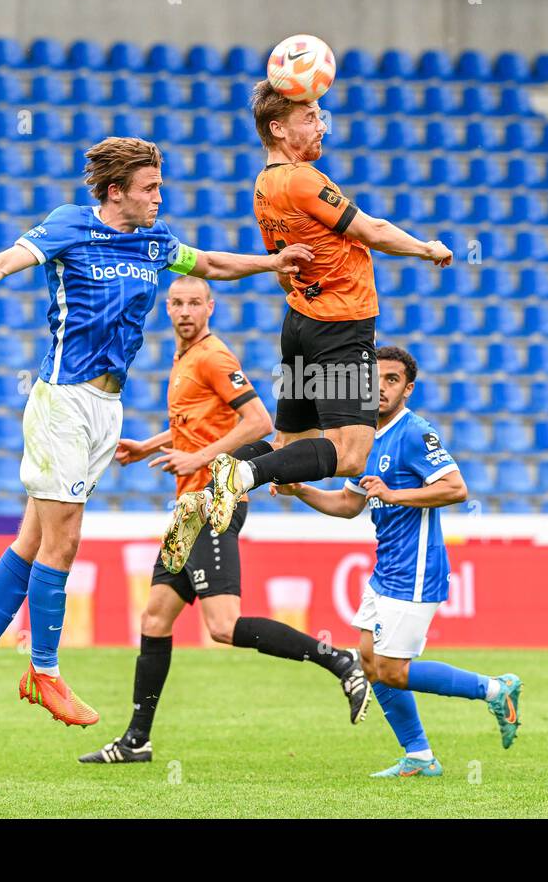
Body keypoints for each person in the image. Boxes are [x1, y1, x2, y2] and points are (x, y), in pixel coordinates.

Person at [0, 136, 311, 727]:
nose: (160, 197)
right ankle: (44, 672)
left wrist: (272, 263)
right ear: (116, 192)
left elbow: (210, 264)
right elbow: (8, 258)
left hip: (109, 408)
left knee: (33, 540)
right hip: (64, 401)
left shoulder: (155, 243)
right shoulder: (70, 227)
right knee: (64, 542)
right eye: (150, 188)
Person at [160, 81, 453, 572]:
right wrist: (427, 248)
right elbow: (372, 230)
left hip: (300, 324)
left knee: (291, 446)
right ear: (278, 129)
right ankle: (240, 474)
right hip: (340, 329)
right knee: (353, 455)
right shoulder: (301, 180)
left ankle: (216, 484)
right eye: (309, 116)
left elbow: (283, 266)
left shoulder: (262, 184)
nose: (321, 123)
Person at [79, 274, 370, 764]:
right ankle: (136, 740)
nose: (185, 311)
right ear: (166, 307)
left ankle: (340, 661)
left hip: (213, 504)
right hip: (187, 510)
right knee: (153, 617)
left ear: (210, 306)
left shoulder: (213, 356)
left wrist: (198, 462)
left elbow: (257, 423)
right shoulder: (183, 358)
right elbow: (200, 427)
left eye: (195, 302)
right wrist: (149, 446)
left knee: (222, 625)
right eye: (177, 303)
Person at [273, 346, 522, 777]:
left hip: (417, 569)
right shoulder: (363, 436)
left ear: (407, 389)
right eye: (376, 379)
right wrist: (302, 492)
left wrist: (392, 494)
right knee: (370, 664)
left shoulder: (414, 432)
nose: (382, 388)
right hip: (386, 567)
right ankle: (420, 757)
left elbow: (456, 488)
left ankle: (495, 689)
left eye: (392, 380)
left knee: (391, 670)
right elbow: (351, 504)